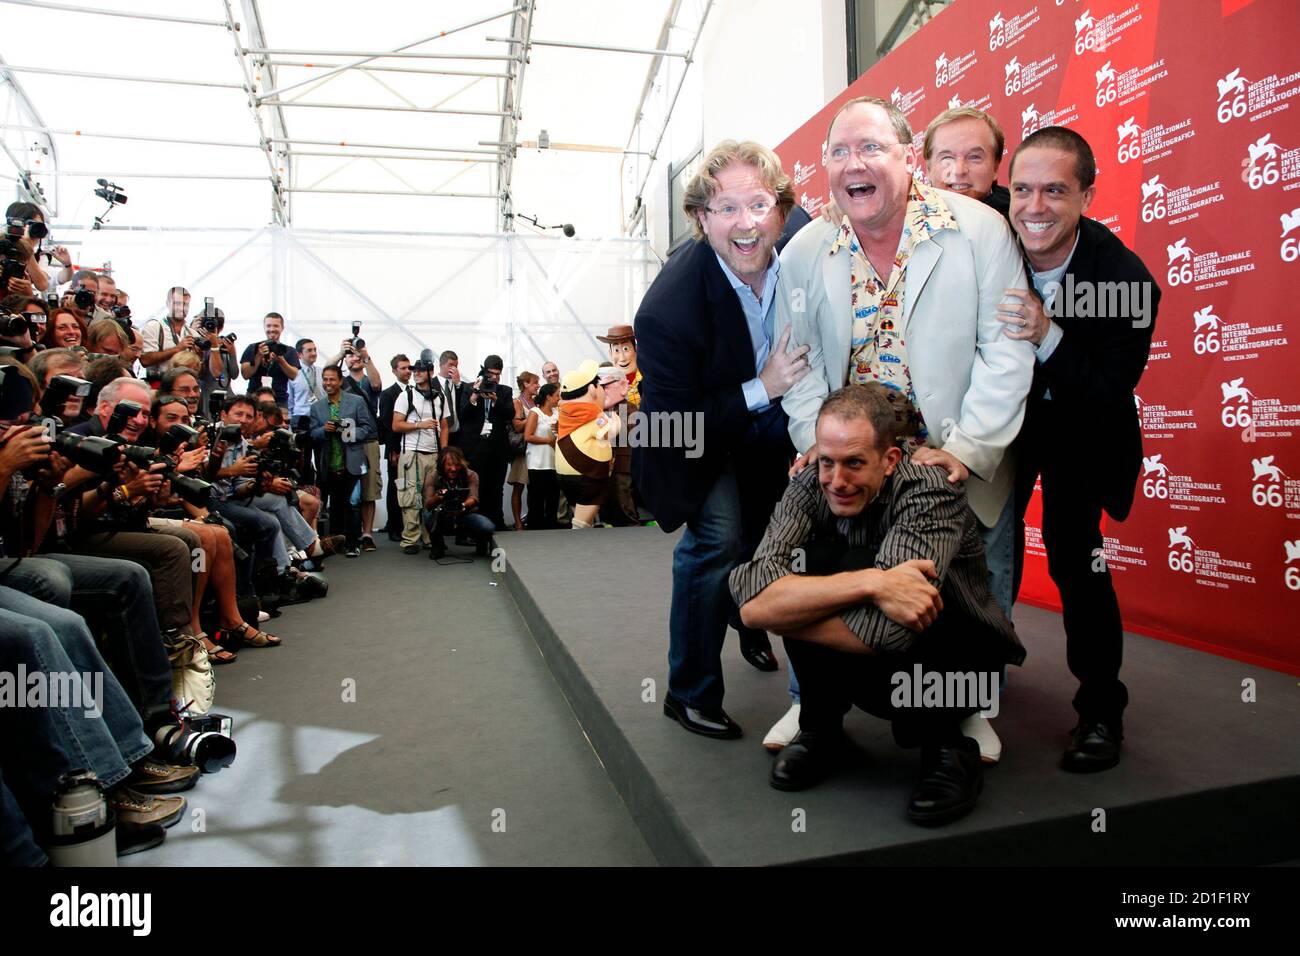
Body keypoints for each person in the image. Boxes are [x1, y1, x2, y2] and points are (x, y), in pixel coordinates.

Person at [771, 96, 1034, 757]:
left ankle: (970, 712)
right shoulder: (804, 250)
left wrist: (970, 450)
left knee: (970, 588)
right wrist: (815, 443)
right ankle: (811, 708)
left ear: (908, 158)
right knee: (826, 576)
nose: (854, 164)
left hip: (949, 455)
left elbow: (1005, 349)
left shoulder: (978, 232)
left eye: (872, 148)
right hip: (853, 465)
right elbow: (795, 362)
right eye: (839, 151)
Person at [730, 384, 1025, 825]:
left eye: (854, 463)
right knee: (827, 567)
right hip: (872, 651)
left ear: (889, 460)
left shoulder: (929, 490)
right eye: (828, 461)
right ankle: (822, 730)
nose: (837, 480)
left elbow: (893, 628)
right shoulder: (810, 481)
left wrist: (780, 612)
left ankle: (948, 750)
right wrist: (870, 583)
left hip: (956, 661)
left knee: (825, 584)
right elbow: (750, 600)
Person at [633, 140, 807, 739]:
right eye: (725, 209)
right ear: (701, 219)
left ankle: (745, 614)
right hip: (691, 436)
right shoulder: (667, 310)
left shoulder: (808, 241)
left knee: (768, 539)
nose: (746, 224)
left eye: (758, 205)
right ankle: (689, 692)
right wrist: (763, 385)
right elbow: (675, 420)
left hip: (773, 426)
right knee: (718, 541)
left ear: (782, 208)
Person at [1004, 126, 1158, 772]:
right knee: (983, 545)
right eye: (1022, 190)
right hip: (1006, 422)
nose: (1034, 207)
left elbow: (1106, 390)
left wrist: (1046, 333)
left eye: (1055, 192)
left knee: (1076, 559)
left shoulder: (1125, 281)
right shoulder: (989, 240)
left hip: (1083, 429)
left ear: (1087, 196)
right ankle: (973, 683)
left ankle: (1101, 709)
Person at [310, 365, 376, 557]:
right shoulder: (317, 407)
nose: (328, 383)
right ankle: (336, 541)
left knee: (353, 504)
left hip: (352, 462)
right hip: (328, 463)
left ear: (340, 381)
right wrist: (324, 430)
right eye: (325, 379)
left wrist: (347, 432)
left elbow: (367, 429)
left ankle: (353, 543)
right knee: (335, 505)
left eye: (331, 379)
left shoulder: (356, 402)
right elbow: (312, 434)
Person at [391, 355, 447, 553]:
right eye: (414, 370)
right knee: (410, 497)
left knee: (430, 497)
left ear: (430, 373)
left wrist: (444, 451)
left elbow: (445, 425)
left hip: (433, 453)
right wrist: (419, 425)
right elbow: (396, 425)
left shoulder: (440, 397)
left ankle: (428, 536)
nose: (416, 373)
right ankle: (410, 539)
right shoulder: (405, 396)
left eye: (420, 370)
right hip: (412, 453)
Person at [555, 361, 619, 529]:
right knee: (582, 522)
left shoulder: (566, 413)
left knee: (580, 514)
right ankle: (577, 545)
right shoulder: (591, 415)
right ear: (592, 390)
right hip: (588, 475)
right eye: (600, 386)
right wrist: (616, 418)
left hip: (566, 474)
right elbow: (610, 432)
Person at [456, 354, 514, 531]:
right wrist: (475, 396)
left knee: (496, 487)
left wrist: (496, 401)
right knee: (473, 487)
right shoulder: (469, 388)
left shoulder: (505, 391)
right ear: (483, 372)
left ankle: (497, 522)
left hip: (497, 447)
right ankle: (470, 527)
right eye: (490, 374)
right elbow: (462, 415)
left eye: (497, 374)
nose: (494, 378)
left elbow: (510, 414)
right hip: (475, 446)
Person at [923, 107, 1009, 215]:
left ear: (995, 167)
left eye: (974, 157)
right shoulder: (906, 223)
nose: (959, 171)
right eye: (947, 158)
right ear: (928, 169)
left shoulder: (1020, 223)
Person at [423, 446, 495, 559]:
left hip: (465, 514)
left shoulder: (471, 475)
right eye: (449, 465)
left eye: (457, 465)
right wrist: (439, 497)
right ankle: (437, 545)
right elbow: (428, 504)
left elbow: (474, 498)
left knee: (487, 527)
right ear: (442, 465)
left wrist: (462, 505)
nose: (453, 469)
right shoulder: (433, 476)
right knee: (427, 515)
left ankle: (481, 542)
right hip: (442, 515)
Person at [377, 353, 410, 541]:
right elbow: (387, 424)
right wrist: (392, 450)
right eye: (403, 368)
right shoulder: (388, 394)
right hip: (396, 448)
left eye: (409, 368)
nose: (407, 371)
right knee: (396, 487)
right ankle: (394, 526)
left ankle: (407, 524)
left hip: (411, 446)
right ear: (394, 371)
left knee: (409, 486)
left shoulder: (414, 391)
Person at [239, 312, 300, 408]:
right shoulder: (253, 348)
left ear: (282, 328)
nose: (272, 329)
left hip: (279, 400)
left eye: (276, 326)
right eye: (268, 326)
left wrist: (281, 360)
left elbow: (294, 375)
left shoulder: (289, 351)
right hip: (254, 398)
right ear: (264, 327)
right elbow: (245, 374)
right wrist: (258, 356)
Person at [524, 382, 561, 529]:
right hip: (537, 463)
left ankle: (551, 525)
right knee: (536, 498)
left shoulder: (558, 414)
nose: (559, 398)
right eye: (557, 395)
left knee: (553, 497)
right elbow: (528, 436)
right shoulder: (535, 412)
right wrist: (548, 441)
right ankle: (535, 526)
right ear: (548, 397)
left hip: (553, 462)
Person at [508, 371, 539, 530]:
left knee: (535, 488)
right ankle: (518, 524)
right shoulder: (518, 403)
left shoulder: (535, 403)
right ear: (525, 384)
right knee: (519, 487)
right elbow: (518, 426)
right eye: (535, 383)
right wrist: (534, 416)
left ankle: (533, 519)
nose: (537, 386)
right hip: (522, 451)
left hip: (536, 449)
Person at [139, 287, 195, 369]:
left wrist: (200, 355)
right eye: (177, 303)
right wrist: (177, 349)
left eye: (185, 304)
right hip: (160, 380)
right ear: (167, 304)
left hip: (185, 380)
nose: (182, 308)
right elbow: (145, 360)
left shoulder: (192, 333)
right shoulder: (154, 327)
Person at [437, 350, 466, 446]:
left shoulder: (460, 385)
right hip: (438, 435)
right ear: (441, 365)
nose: (454, 369)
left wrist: (458, 383)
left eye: (456, 366)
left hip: (458, 436)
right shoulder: (431, 384)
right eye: (451, 365)